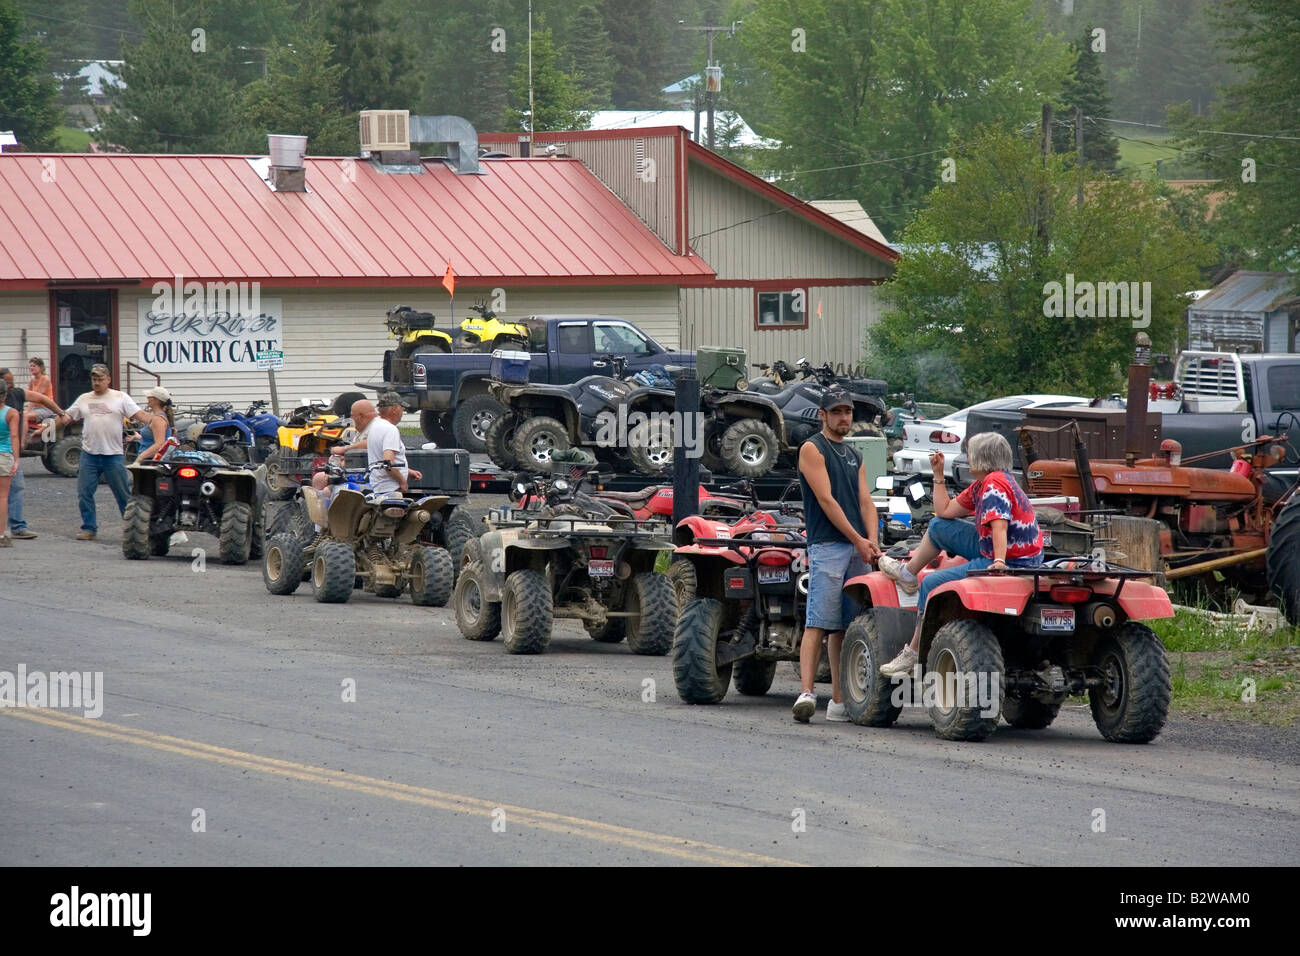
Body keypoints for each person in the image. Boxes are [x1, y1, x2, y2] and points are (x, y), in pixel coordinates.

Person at [877, 431, 1043, 677]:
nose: (967, 457)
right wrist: (937, 475)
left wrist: (998, 561)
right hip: (1009, 551)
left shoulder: (993, 484)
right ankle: (908, 574)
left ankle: (913, 653)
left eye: (970, 453)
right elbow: (943, 511)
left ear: (981, 458)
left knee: (931, 583)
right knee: (938, 527)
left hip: (1009, 558)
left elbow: (999, 524)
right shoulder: (986, 484)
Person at [792, 386, 881, 723]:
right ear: (823, 415)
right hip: (828, 545)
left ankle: (840, 701)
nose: (845, 417)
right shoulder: (812, 449)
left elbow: (864, 500)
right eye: (838, 411)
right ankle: (806, 693)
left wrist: (871, 540)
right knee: (818, 620)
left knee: (845, 625)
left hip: (857, 546)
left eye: (848, 412)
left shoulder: (855, 455)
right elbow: (827, 501)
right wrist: (858, 539)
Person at [56, 363, 155, 540]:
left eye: (101, 379)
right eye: (94, 379)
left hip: (113, 455)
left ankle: (131, 529)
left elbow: (140, 415)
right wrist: (48, 427)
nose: (97, 382)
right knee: (84, 493)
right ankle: (89, 528)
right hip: (89, 455)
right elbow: (67, 416)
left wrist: (159, 421)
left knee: (123, 494)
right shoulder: (84, 399)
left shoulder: (120, 397)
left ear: (108, 379)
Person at [1, 366, 66, 541]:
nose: (10, 385)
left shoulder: (17, 394)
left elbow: (43, 398)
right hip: (6, 452)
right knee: (10, 489)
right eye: (7, 383)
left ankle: (17, 526)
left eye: (11, 382)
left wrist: (60, 412)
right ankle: (16, 527)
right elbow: (14, 432)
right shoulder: (8, 407)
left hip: (8, 452)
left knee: (14, 488)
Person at [133, 386, 176, 463]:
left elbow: (159, 444)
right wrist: (138, 437)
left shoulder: (158, 419)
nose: (147, 398)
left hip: (151, 462)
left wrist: (140, 458)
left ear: (156, 400)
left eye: (149, 397)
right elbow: (153, 438)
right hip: (149, 459)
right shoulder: (156, 417)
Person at [0, 379, 18, 546]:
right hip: (4, 454)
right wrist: (16, 459)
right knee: (3, 496)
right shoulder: (11, 413)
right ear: (5, 395)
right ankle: (1, 535)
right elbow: (14, 436)